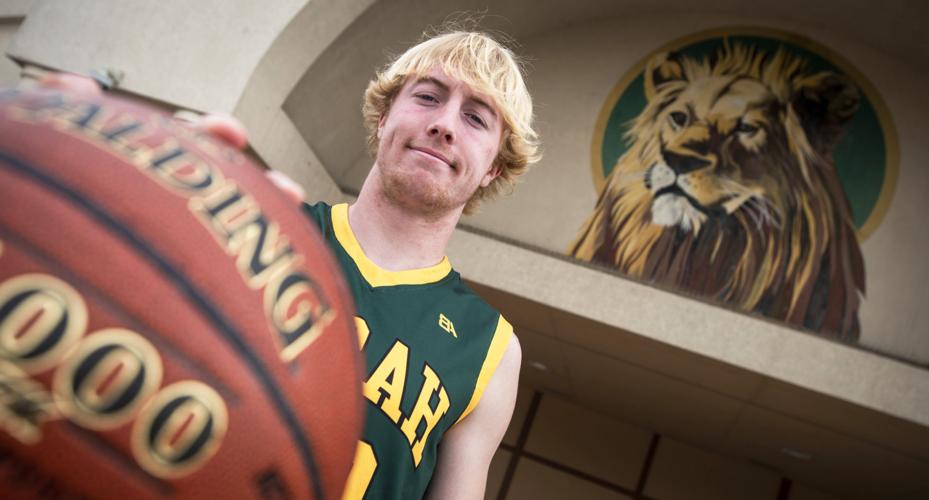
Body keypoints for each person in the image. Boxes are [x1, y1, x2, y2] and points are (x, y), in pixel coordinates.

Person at [300, 30, 541, 499]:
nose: (445, 124)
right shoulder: (270, 227)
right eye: (428, 97)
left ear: (493, 166)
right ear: (384, 118)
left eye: (475, 119)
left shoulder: (489, 351)